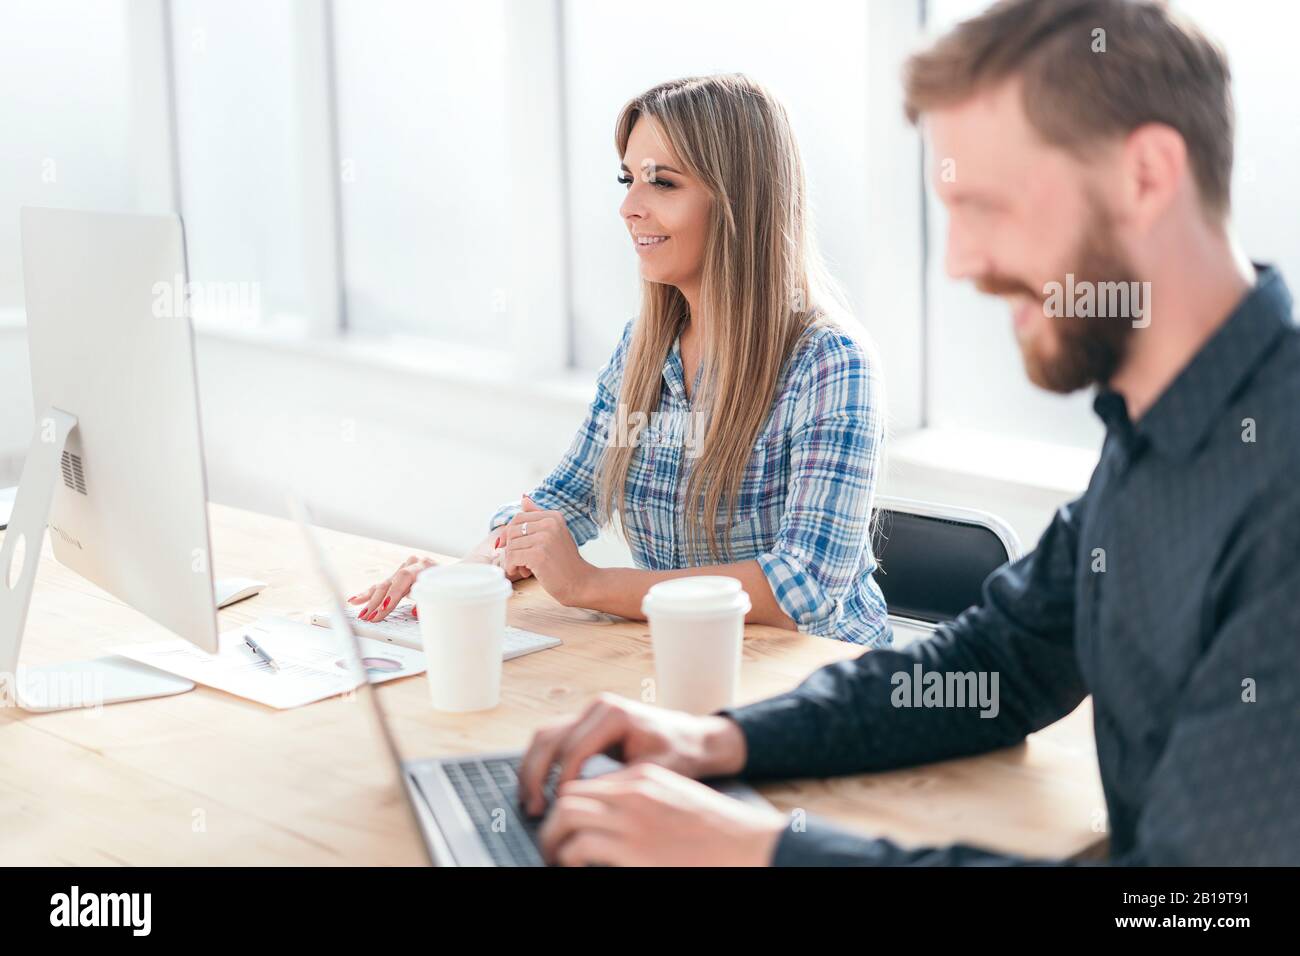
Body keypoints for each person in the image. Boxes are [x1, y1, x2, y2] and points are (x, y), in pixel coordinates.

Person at [518, 0, 1300, 866]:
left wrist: (763, 851)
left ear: (1146, 176)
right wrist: (720, 742)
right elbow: (998, 666)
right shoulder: (1162, 435)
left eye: (989, 206)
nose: (962, 261)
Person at [351, 74, 891, 646]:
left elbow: (799, 590)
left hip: (814, 682)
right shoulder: (645, 348)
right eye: (628, 179)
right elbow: (561, 502)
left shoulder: (831, 364)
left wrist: (589, 584)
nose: (629, 208)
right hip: (683, 658)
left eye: (662, 183)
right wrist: (467, 575)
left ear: (739, 200)